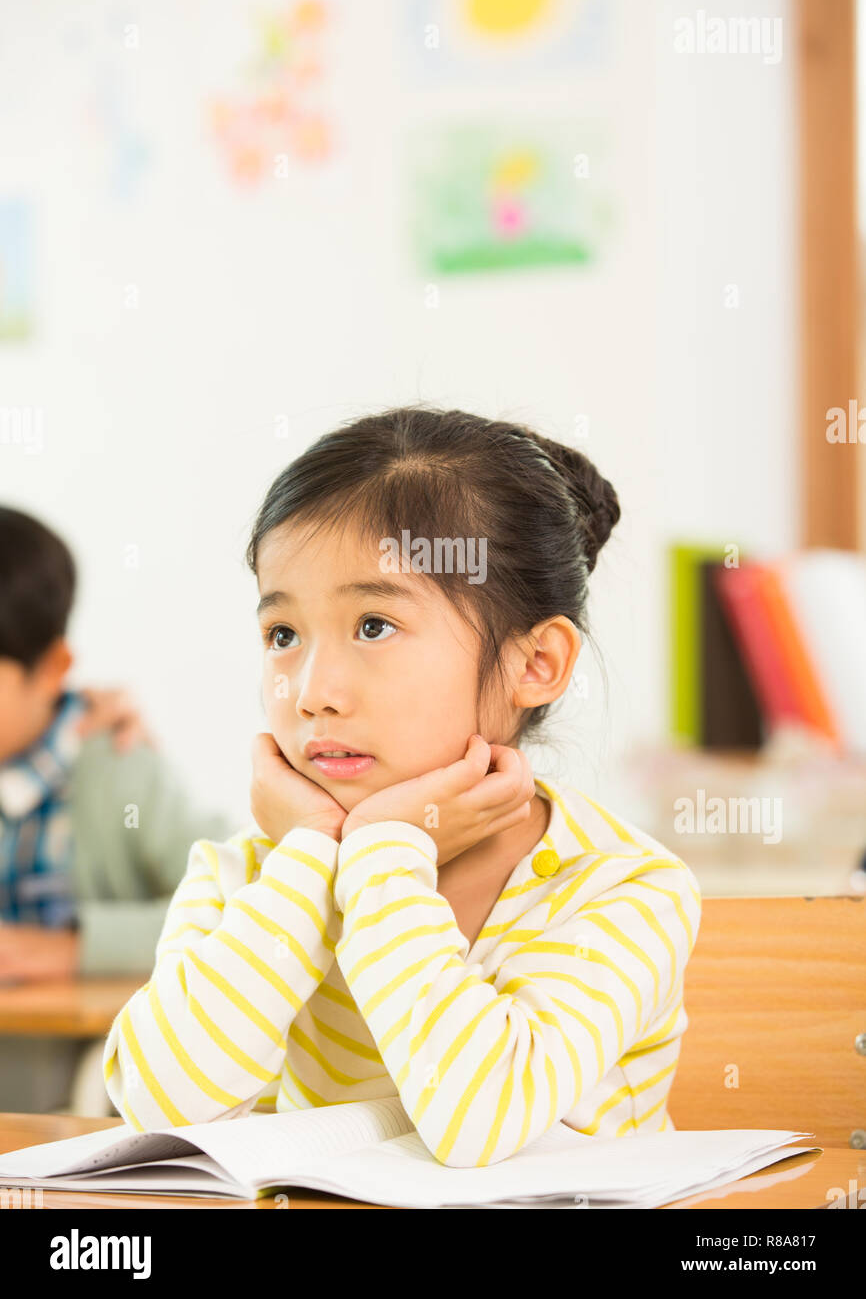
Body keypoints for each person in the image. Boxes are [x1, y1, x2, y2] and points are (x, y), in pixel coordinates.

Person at [103, 405, 702, 1166]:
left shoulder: (621, 888)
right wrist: (312, 861)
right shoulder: (252, 876)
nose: (313, 691)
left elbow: (477, 1121)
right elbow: (159, 1109)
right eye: (283, 635)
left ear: (535, 664)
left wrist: (385, 850)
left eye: (374, 625)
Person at [0, 506, 235, 1112]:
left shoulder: (119, 767)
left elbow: (236, 903)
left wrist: (60, 950)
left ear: (52, 669)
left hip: (75, 1110)